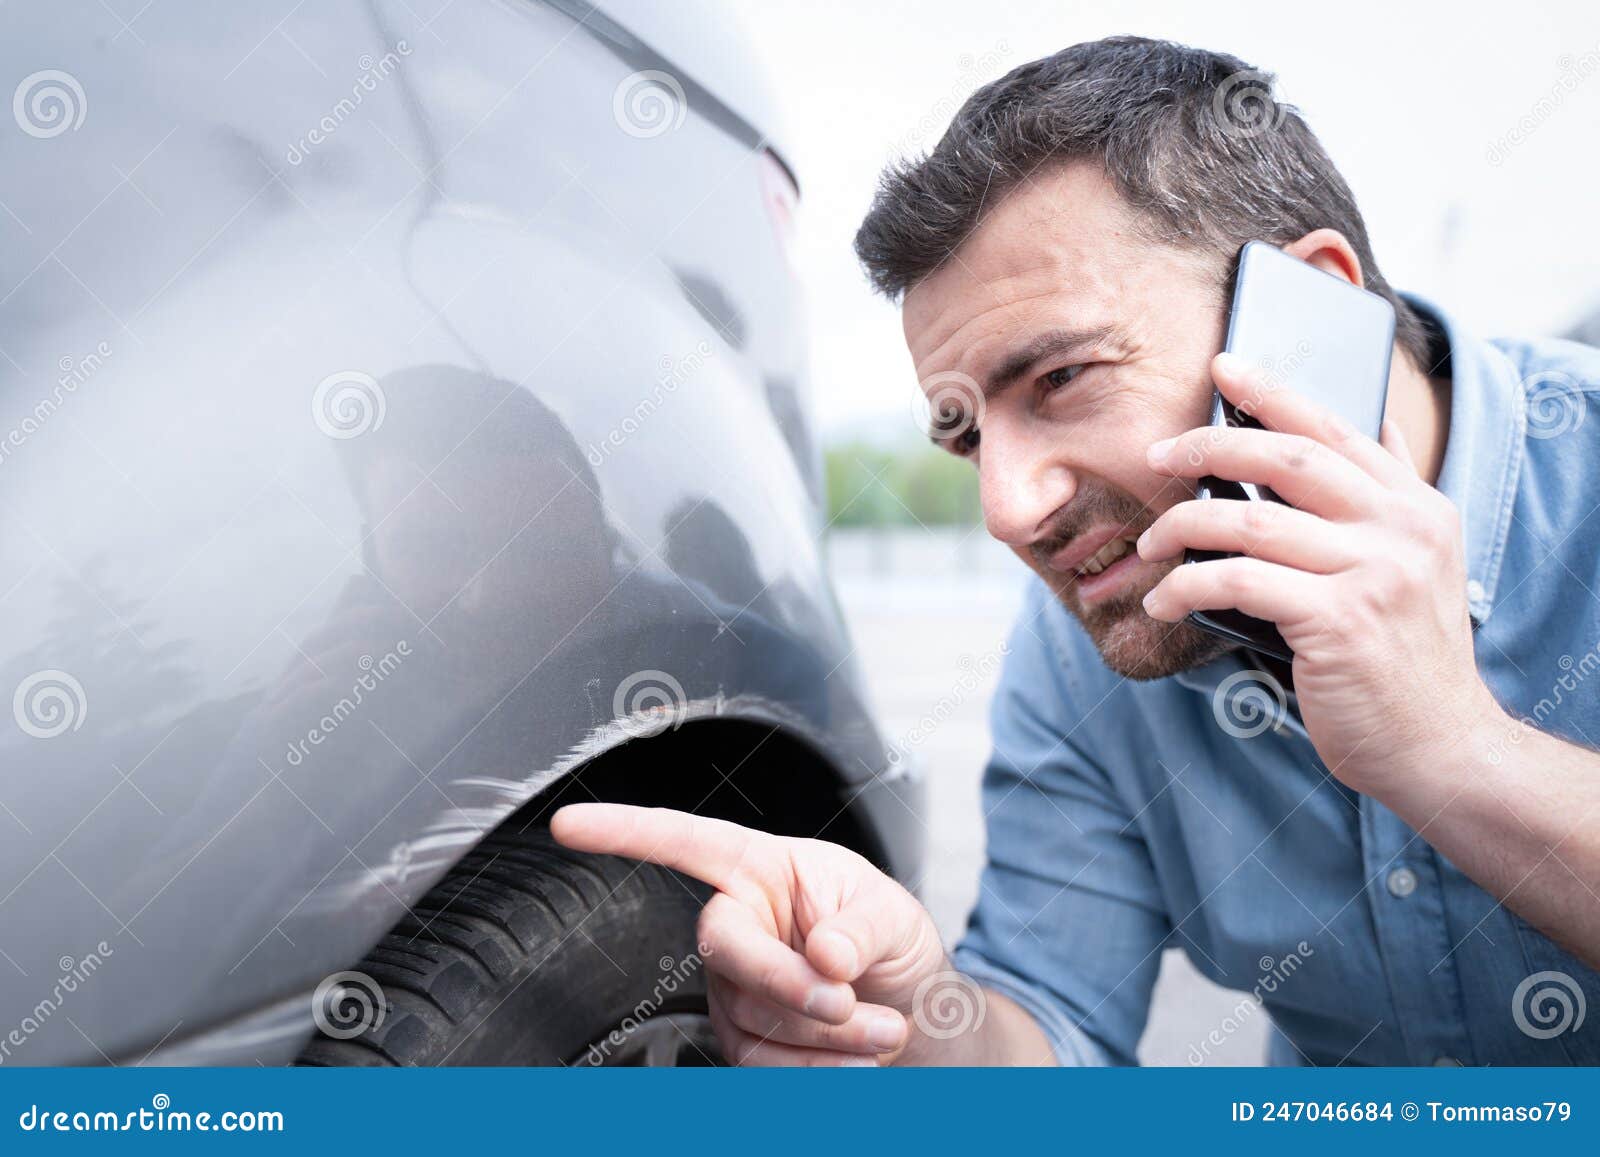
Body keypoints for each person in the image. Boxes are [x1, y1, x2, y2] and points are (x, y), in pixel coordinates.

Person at [555, 37, 1600, 1066]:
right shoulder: (1099, 628)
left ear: (1312, 311)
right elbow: (1051, 1038)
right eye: (967, 435)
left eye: (1061, 379)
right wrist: (910, 1014)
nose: (1007, 509)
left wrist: (1451, 749)